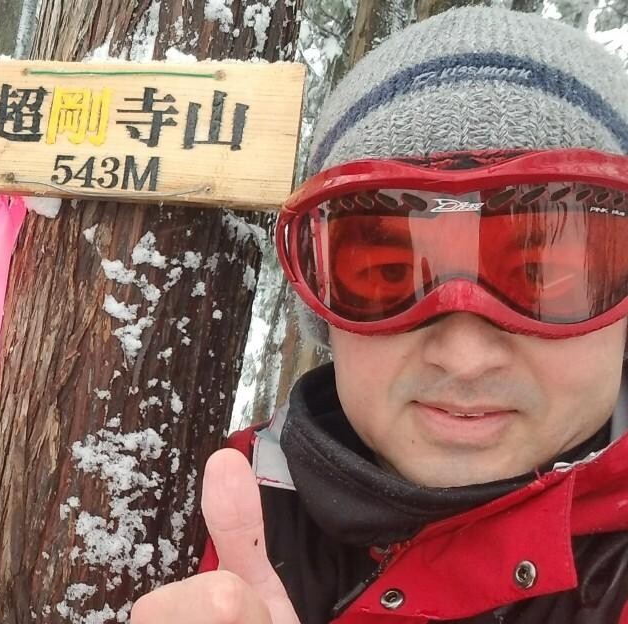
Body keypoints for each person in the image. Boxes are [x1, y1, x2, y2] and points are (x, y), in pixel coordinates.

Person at [131, 7, 628, 623]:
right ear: (326, 313)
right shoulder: (203, 515)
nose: (465, 357)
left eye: (547, 279)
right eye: (390, 276)